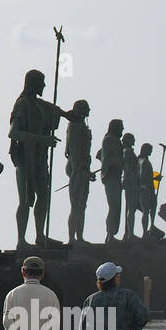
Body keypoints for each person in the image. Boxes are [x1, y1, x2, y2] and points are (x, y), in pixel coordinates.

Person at [8, 70, 72, 249]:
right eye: (42, 82)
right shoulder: (22, 104)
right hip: (25, 159)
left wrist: (69, 115)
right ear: (33, 83)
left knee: (43, 196)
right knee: (25, 200)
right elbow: (14, 133)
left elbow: (55, 110)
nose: (44, 86)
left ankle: (40, 235)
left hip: (39, 159)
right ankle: (21, 240)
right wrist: (41, 139)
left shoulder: (38, 104)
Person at [65, 100, 93, 243]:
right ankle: (72, 238)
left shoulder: (81, 125)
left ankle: (79, 237)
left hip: (83, 170)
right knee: (76, 206)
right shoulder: (75, 126)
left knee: (81, 206)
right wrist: (82, 170)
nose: (88, 110)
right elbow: (75, 152)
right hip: (78, 171)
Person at [97, 119, 124, 243]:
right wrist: (120, 162)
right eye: (121, 128)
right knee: (113, 206)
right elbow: (106, 157)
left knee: (117, 207)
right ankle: (110, 234)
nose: (122, 130)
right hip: (110, 176)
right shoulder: (108, 140)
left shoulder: (116, 141)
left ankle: (112, 233)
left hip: (117, 177)